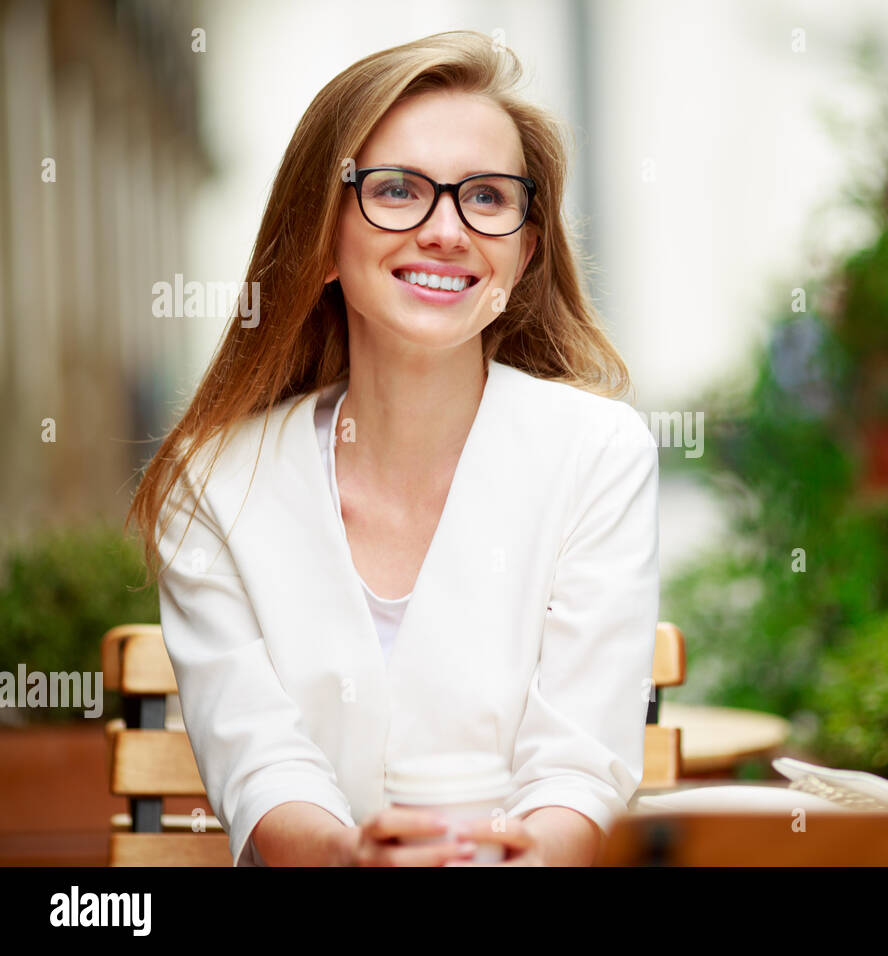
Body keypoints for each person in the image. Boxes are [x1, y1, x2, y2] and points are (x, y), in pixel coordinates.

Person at [125, 31, 660, 867]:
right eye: (399, 189)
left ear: (524, 251)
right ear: (323, 237)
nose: (446, 230)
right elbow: (262, 770)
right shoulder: (216, 483)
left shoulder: (598, 453)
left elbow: (577, 771)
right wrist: (352, 860)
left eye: (486, 197)